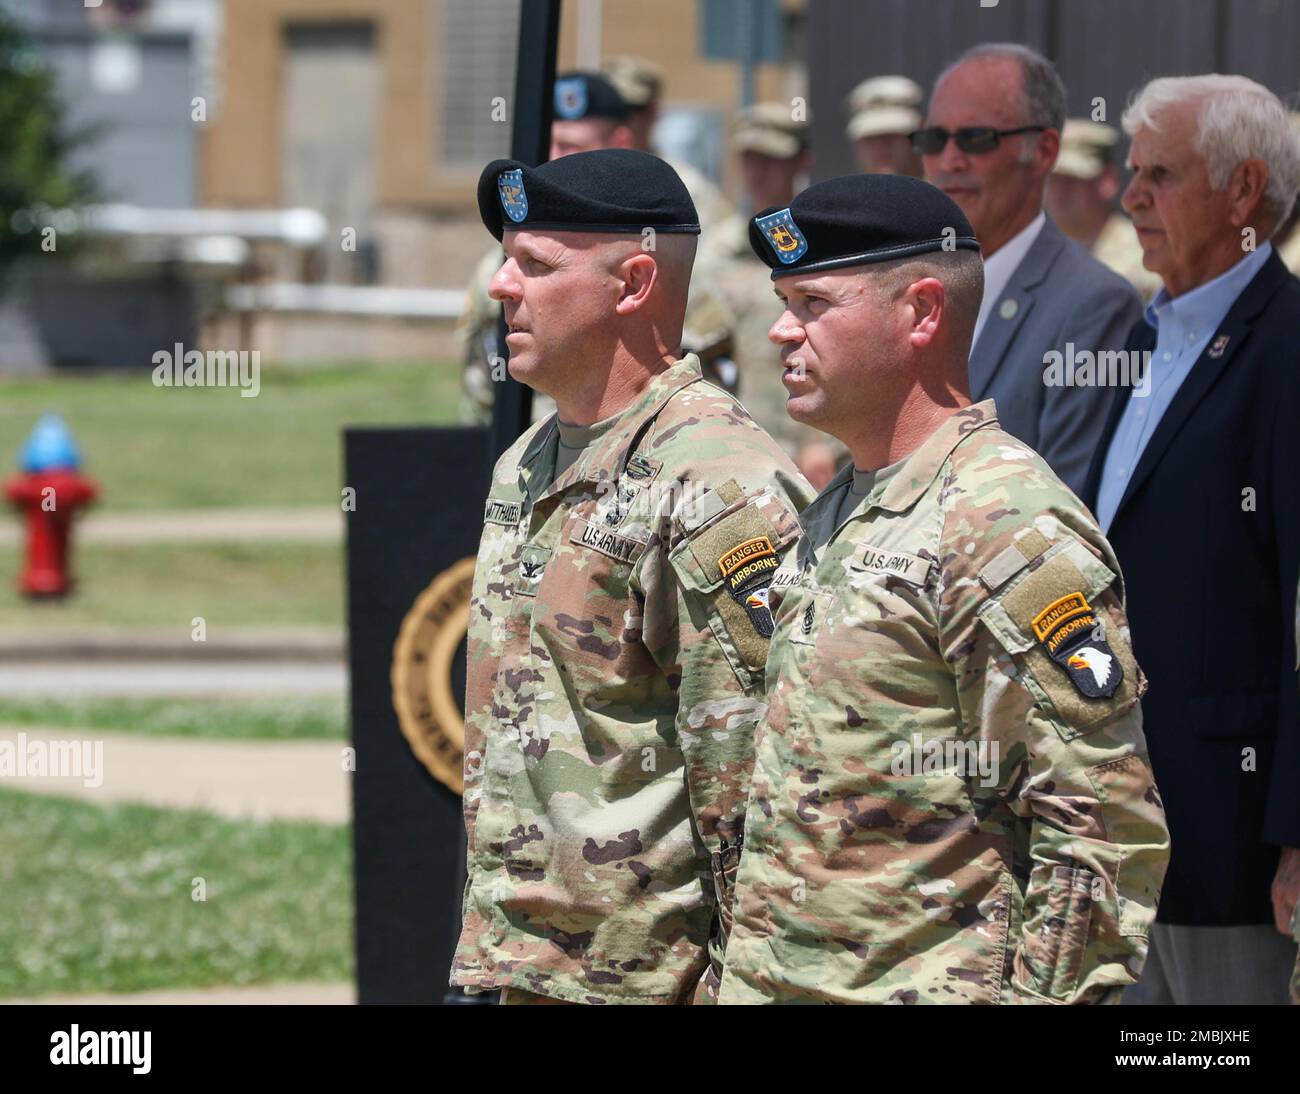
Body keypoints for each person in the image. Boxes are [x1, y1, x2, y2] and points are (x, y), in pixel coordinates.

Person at [713, 172, 1169, 1005]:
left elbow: (1100, 821)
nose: (781, 330)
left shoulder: (1001, 522)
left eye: (814, 304)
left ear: (921, 312)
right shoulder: (840, 509)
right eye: (784, 301)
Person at [451, 148, 816, 1005]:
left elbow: (762, 776)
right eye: (509, 260)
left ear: (634, 281)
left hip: (654, 983)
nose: (502, 286)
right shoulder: (527, 462)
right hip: (528, 968)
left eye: (536, 265)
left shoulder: (718, 482)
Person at [1082, 74, 1300, 1006]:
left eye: (1158, 174)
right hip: (1117, 842)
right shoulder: (1146, 337)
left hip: (1233, 853)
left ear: (1244, 193)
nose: (1129, 197)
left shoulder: (1288, 351)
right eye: (1131, 171)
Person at [917, 43, 1142, 495]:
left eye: (976, 138)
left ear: (1042, 151)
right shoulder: (908, 286)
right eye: (934, 140)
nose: (949, 160)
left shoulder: (1096, 307)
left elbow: (1067, 513)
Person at [459, 71, 736, 424]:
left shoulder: (671, 234)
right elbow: (482, 388)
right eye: (550, 141)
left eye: (539, 264)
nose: (554, 156)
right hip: (546, 450)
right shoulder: (495, 266)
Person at [698, 102, 840, 490]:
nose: (758, 172)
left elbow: (843, 352)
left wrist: (819, 441)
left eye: (772, 159)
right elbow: (702, 354)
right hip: (738, 445)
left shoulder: (828, 248)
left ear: (801, 161)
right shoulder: (717, 252)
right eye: (749, 158)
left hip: (814, 452)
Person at [1047, 118, 1162, 301]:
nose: (1060, 192)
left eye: (1073, 180)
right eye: (1053, 179)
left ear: (1107, 181)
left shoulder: (1145, 257)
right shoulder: (1031, 252)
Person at [845, 74, 925, 177]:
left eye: (890, 135)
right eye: (870, 139)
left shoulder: (944, 190)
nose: (880, 147)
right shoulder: (847, 192)